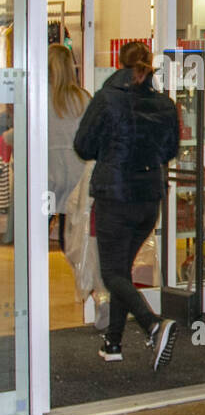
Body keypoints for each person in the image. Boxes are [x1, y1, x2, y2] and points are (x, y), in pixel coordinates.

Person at [72, 41, 180, 368]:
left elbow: (83, 145)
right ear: (149, 66)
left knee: (112, 273)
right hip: (148, 198)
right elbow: (171, 149)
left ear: (120, 63)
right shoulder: (164, 104)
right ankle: (113, 342)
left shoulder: (107, 99)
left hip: (114, 196)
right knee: (122, 270)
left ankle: (152, 324)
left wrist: (108, 152)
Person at [46, 43, 91, 249]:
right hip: (76, 175)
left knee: (37, 227)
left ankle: (35, 280)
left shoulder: (38, 97)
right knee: (71, 240)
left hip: (46, 178)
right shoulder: (82, 98)